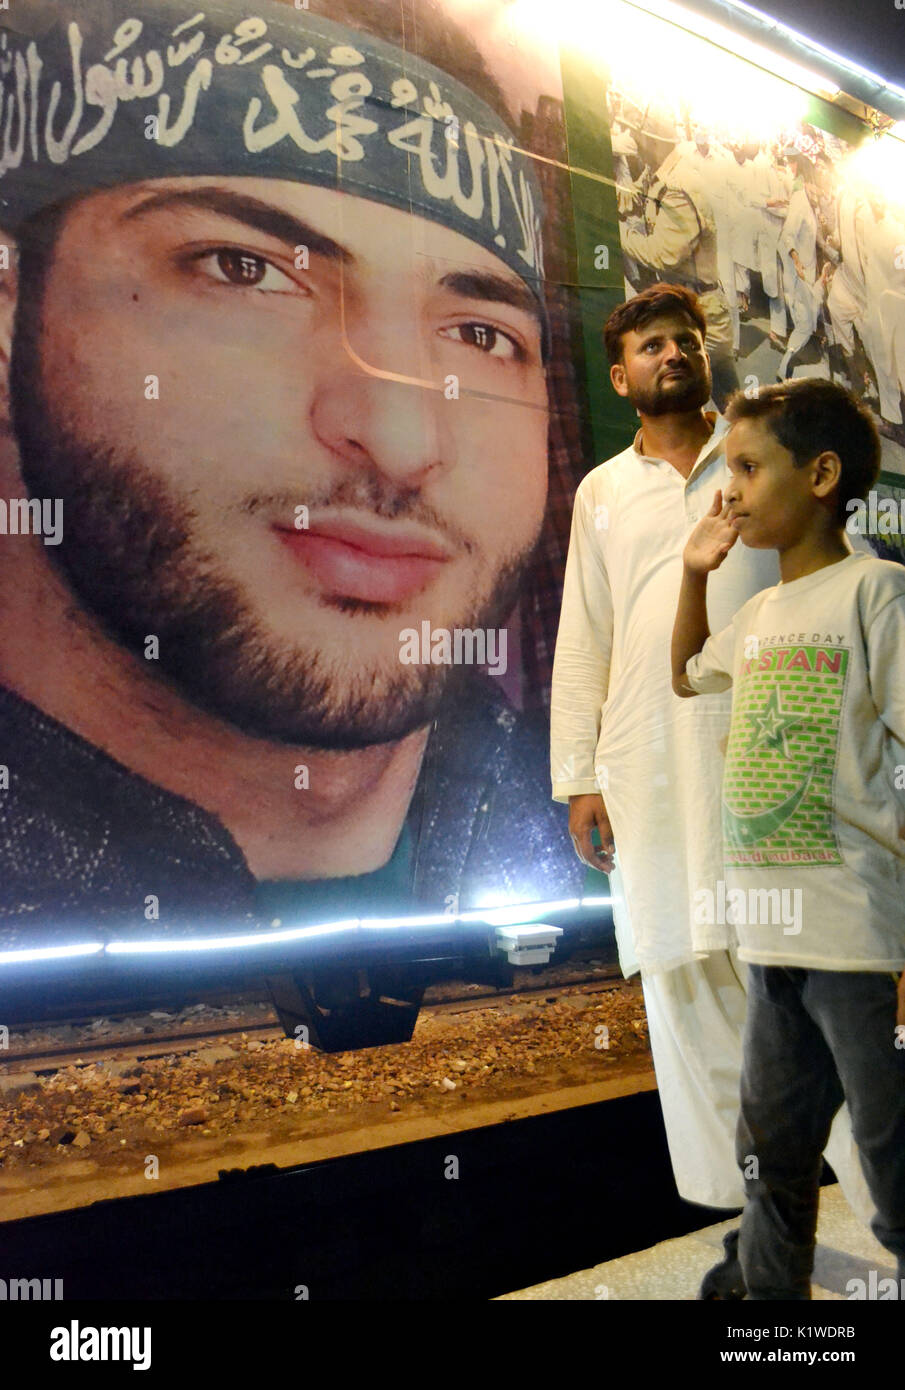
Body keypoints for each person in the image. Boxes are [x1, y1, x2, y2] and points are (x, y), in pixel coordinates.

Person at [0, 0, 584, 953]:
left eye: (479, 335)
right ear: (10, 315)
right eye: (244, 269)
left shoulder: (581, 854)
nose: (399, 439)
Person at [550, 282, 871, 1255]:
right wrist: (577, 776)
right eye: (648, 346)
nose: (669, 355)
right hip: (647, 767)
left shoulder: (753, 459)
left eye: (683, 340)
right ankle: (757, 1241)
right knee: (688, 995)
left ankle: (881, 1213)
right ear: (620, 375)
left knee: (815, 993)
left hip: (764, 754)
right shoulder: (600, 494)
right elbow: (584, 634)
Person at [672, 377, 905, 1299]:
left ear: (819, 474)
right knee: (769, 1158)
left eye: (745, 466)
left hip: (856, 941)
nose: (727, 489)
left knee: (892, 1163)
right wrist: (693, 571)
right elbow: (689, 673)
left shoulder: (875, 592)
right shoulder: (759, 615)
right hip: (772, 941)